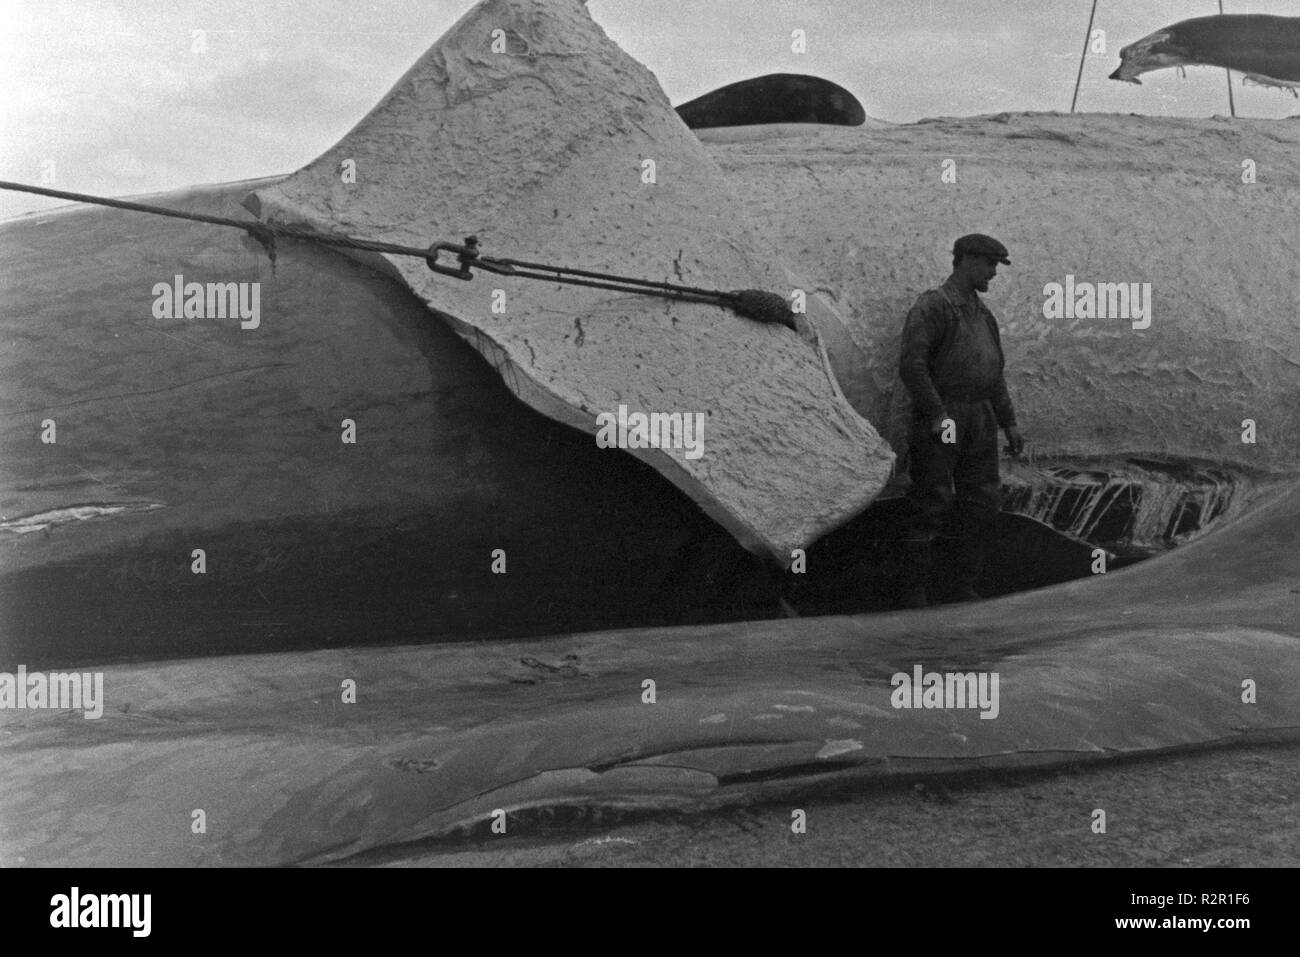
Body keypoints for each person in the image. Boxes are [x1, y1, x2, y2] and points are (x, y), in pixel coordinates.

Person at [896, 234, 1024, 608]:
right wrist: (937, 415)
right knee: (932, 501)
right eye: (989, 264)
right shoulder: (933, 307)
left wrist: (1009, 422)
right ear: (965, 260)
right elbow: (913, 366)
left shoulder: (983, 315)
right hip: (945, 414)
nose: (993, 273)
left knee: (981, 502)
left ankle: (958, 586)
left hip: (980, 417)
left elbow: (994, 372)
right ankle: (914, 592)